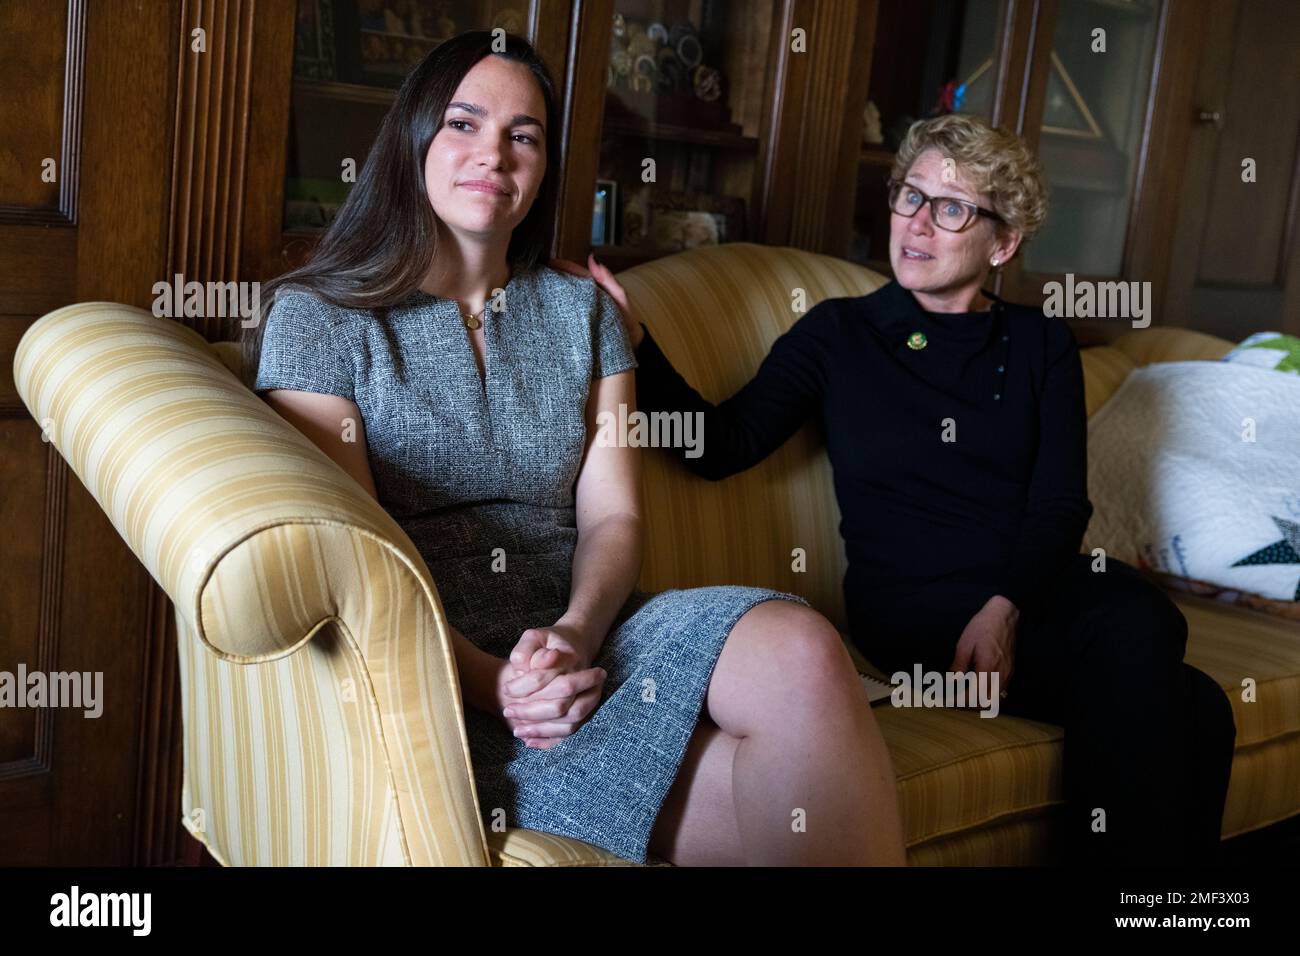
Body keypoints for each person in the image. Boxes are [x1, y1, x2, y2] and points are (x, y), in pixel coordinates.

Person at [242, 31, 905, 867]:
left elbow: (615, 516)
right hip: (439, 668)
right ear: (413, 139)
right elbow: (360, 565)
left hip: (592, 624)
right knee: (779, 811)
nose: (495, 154)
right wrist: (503, 685)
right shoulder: (321, 320)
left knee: (804, 649)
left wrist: (579, 633)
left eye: (523, 135)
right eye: (463, 123)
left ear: (546, 166)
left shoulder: (581, 312)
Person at [578, 113, 1237, 866]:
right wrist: (636, 344)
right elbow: (720, 446)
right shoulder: (839, 334)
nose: (919, 223)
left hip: (1030, 592)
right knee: (1145, 637)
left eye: (952, 208)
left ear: (1004, 241)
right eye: (910, 197)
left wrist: (1004, 608)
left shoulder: (1040, 344)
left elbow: (1061, 504)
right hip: (917, 612)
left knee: (1200, 708)